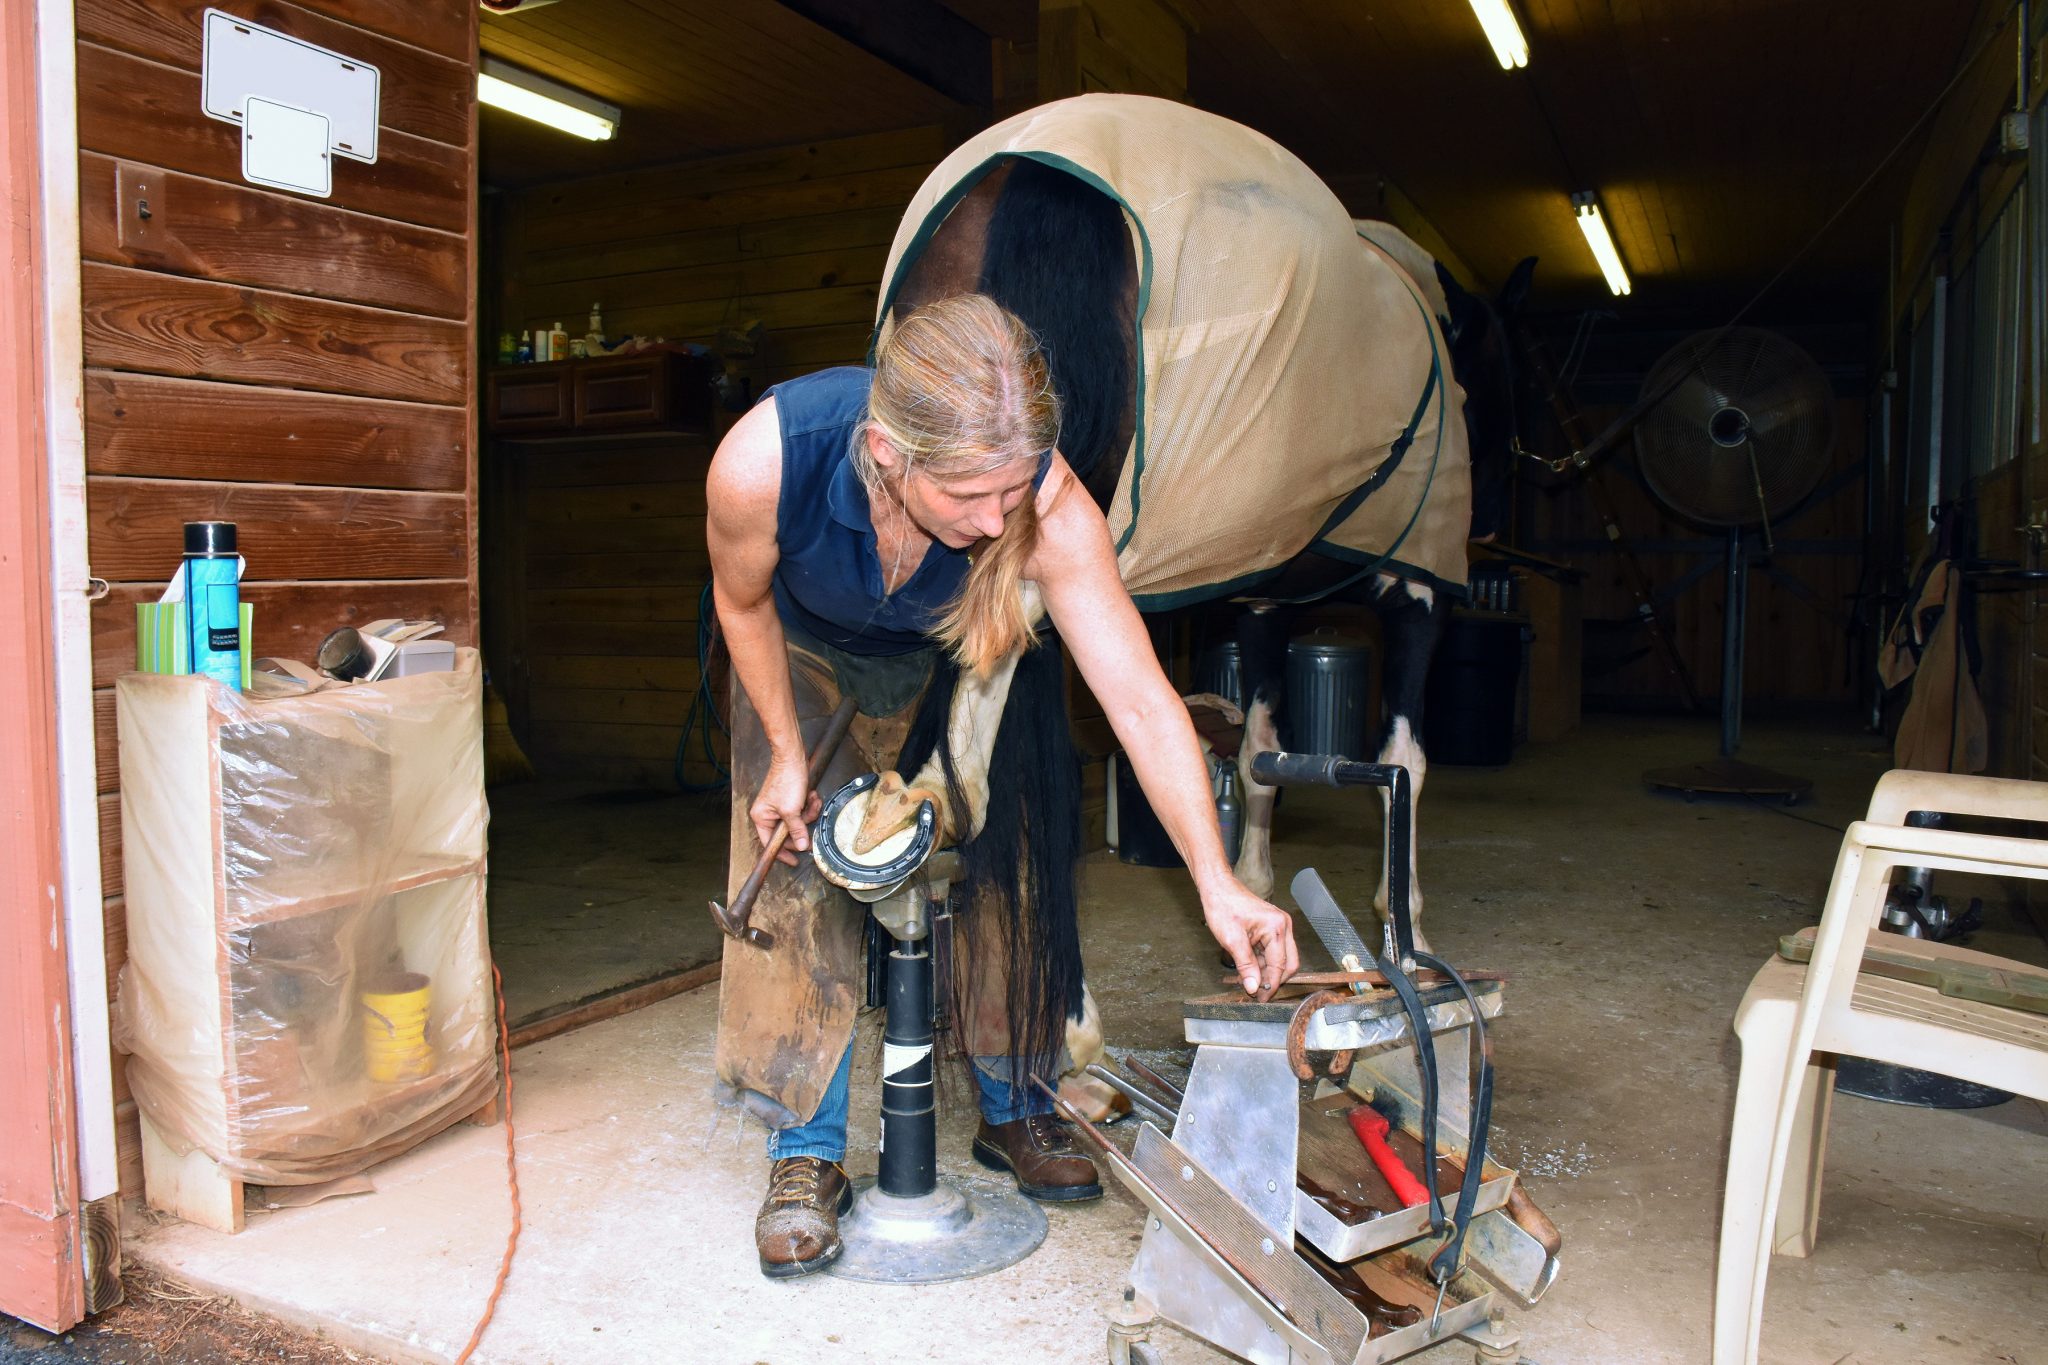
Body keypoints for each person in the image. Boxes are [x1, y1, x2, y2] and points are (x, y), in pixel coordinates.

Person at [706, 293, 1299, 1279]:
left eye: (1012, 491)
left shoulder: (1043, 509)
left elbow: (1143, 703)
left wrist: (1216, 877)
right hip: (807, 652)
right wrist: (784, 750)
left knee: (1003, 847)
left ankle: (1015, 1100)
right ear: (889, 454)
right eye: (970, 498)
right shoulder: (764, 462)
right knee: (792, 871)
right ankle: (804, 1152)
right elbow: (741, 599)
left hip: (961, 646)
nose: (994, 521)